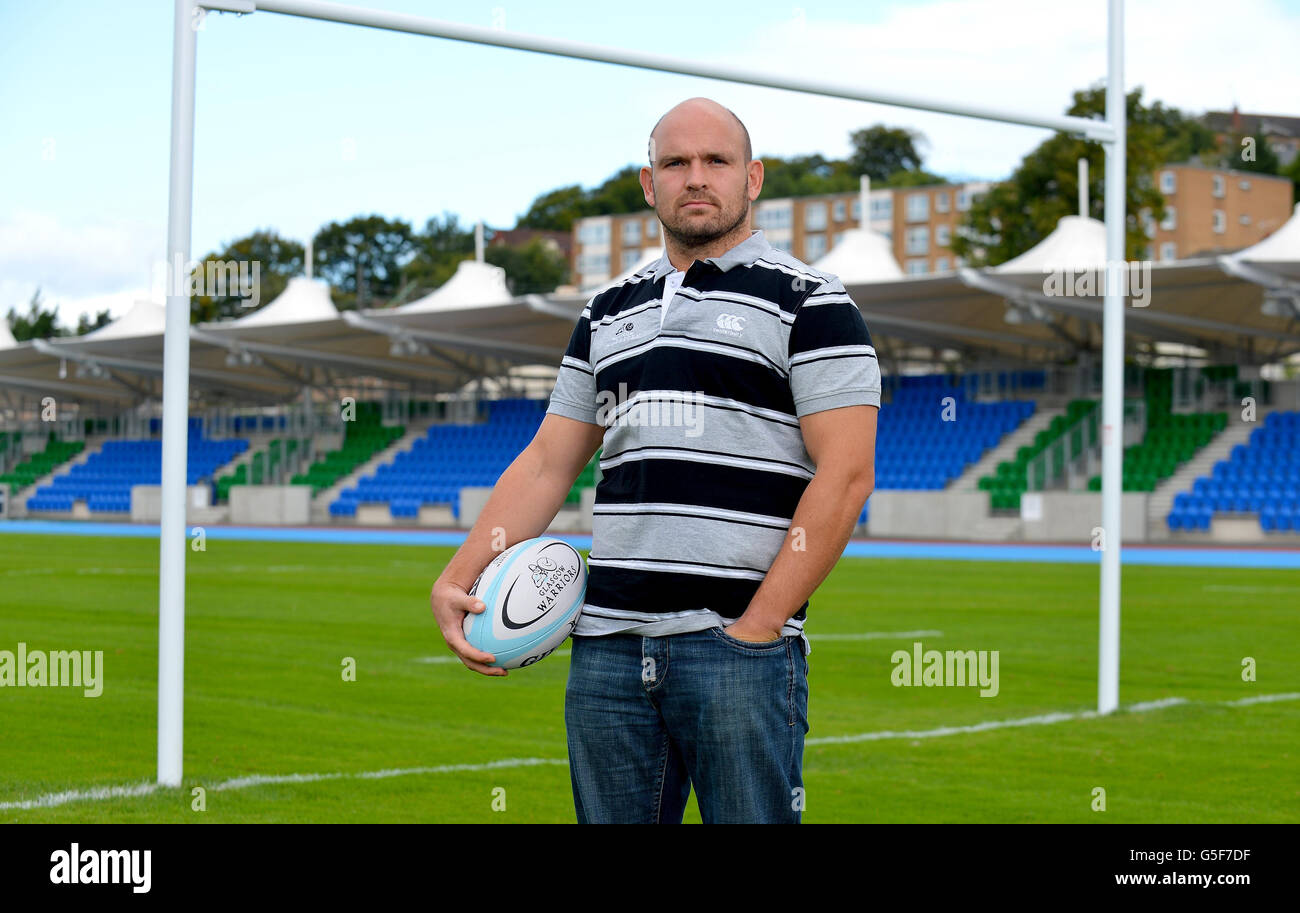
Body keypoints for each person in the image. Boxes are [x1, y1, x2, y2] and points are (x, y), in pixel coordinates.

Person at [430, 97, 879, 823]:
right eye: (676, 162)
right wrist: (459, 575)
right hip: (605, 649)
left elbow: (848, 474)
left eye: (715, 161)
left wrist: (757, 629)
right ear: (650, 184)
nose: (695, 177)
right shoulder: (607, 308)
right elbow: (549, 461)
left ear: (752, 177)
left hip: (734, 649)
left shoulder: (812, 301)